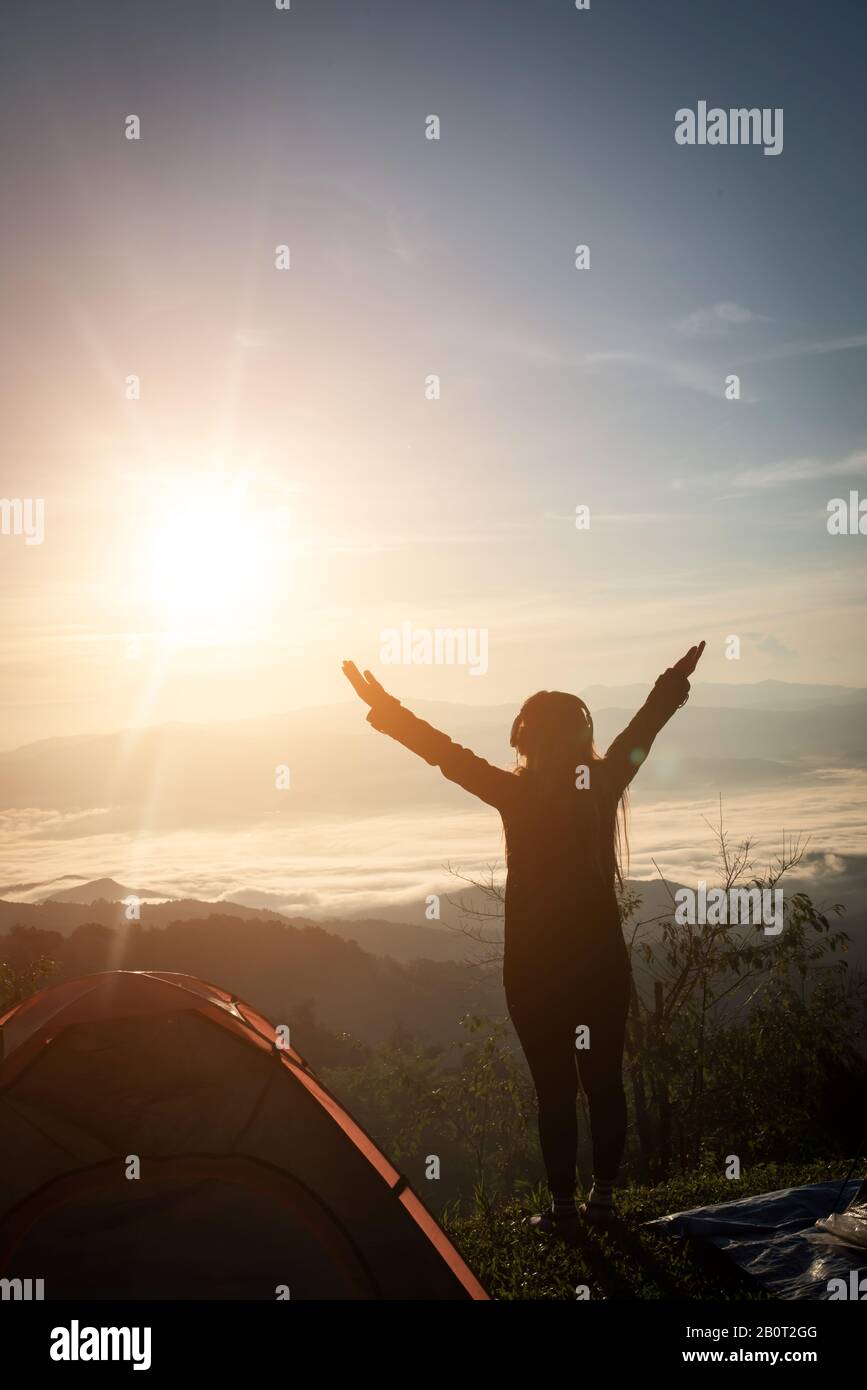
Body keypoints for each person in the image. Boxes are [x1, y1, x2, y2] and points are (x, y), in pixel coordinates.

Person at [342, 641, 705, 1240]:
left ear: (524, 740)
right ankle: (603, 1201)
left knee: (554, 1089)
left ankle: (564, 1209)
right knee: (604, 1082)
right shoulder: (604, 782)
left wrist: (384, 707)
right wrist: (670, 685)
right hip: (599, 965)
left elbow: (442, 753)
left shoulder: (515, 793)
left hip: (535, 970)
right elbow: (643, 730)